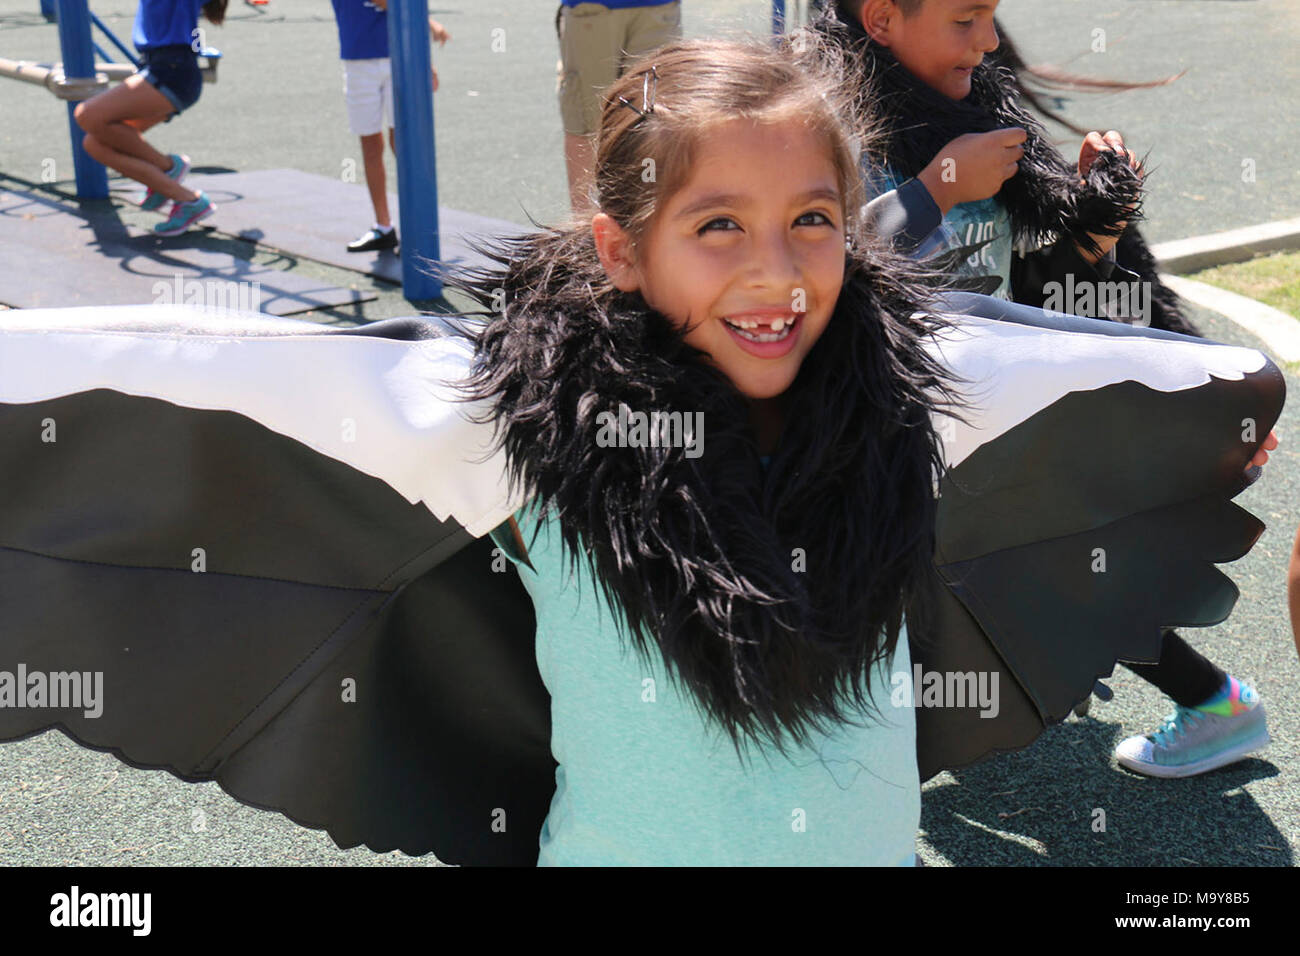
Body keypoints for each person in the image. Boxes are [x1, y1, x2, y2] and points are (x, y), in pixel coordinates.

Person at [819, 0, 1276, 778]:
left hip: (977, 416)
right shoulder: (825, 135)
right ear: (883, 18)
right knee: (961, 574)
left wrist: (1097, 218)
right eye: (967, 19)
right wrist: (934, 190)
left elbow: (1047, 296)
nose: (992, 41)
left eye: (993, 14)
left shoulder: (980, 122)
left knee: (1039, 567)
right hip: (877, 416)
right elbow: (821, 275)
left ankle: (1217, 704)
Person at [73, 0, 226, 237]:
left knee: (87, 115)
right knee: (94, 144)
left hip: (173, 73)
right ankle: (186, 199)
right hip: (156, 68)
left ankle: (168, 167)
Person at [328, 0, 449, 253]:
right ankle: (383, 227)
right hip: (357, 58)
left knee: (404, 142)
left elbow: (404, 8)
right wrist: (430, 24)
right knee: (370, 145)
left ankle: (417, 227)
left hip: (398, 56)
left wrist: (423, 59)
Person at [555, 0, 682, 214]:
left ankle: (648, 220)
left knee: (652, 121)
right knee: (588, 121)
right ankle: (583, 228)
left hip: (659, 8)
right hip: (593, 9)